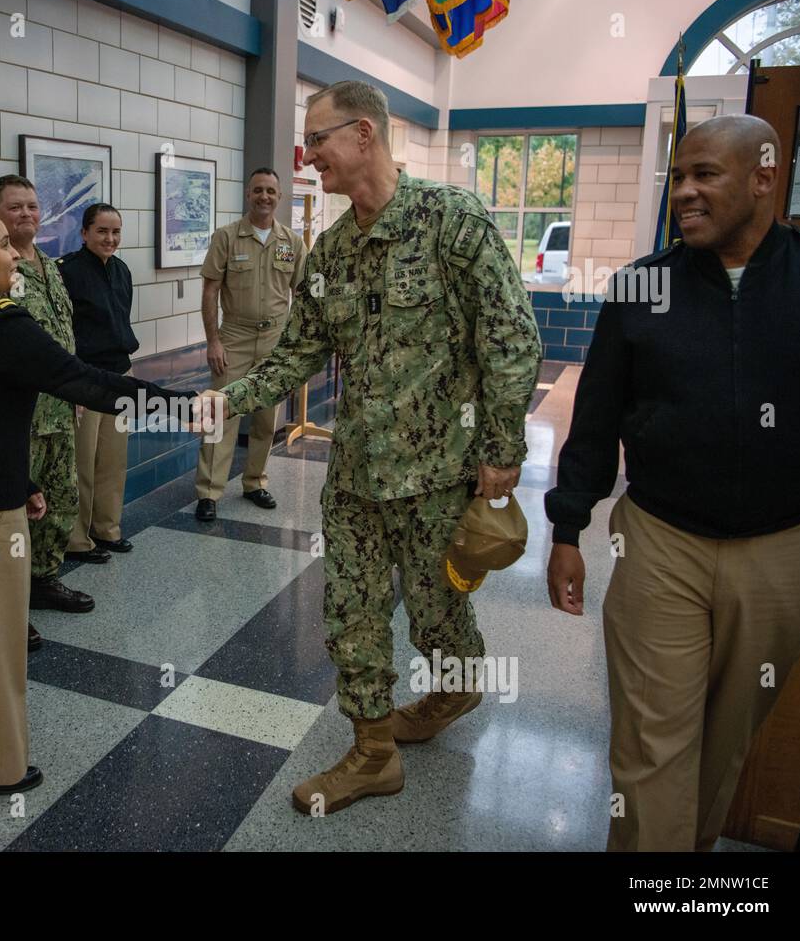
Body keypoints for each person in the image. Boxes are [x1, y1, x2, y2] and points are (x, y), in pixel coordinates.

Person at [199, 80, 541, 816]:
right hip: (355, 476)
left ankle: (454, 685)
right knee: (350, 613)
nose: (307, 153)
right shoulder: (331, 251)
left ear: (363, 135)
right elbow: (299, 353)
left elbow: (511, 336)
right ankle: (372, 753)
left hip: (440, 478)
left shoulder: (453, 222)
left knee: (436, 616)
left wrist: (502, 448)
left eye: (317, 138)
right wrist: (228, 398)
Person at [545, 114, 800, 851]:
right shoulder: (643, 289)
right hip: (659, 547)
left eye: (706, 175)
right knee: (651, 751)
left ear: (764, 178)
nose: (685, 193)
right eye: (679, 177)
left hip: (784, 554)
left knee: (726, 742)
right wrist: (566, 529)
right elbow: (596, 422)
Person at [0, 209, 194, 797]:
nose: (16, 254)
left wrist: (25, 483)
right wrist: (184, 407)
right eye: (3, 246)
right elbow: (82, 379)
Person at [0, 174, 94, 616]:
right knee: (15, 513)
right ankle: (8, 605)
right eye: (15, 207)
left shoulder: (52, 267)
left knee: (61, 500)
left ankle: (44, 581)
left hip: (61, 409)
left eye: (32, 205)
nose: (27, 214)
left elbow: (65, 333)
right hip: (22, 415)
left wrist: (77, 388)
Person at [194, 168, 307, 522]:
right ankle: (209, 492)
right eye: (258, 190)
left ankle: (255, 481)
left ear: (279, 196)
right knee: (220, 414)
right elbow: (210, 291)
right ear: (248, 194)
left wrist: (294, 347)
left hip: (275, 339)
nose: (264, 197)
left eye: (271, 191)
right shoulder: (227, 237)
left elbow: (301, 295)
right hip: (235, 338)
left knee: (264, 418)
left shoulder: (293, 242)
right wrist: (213, 341)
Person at [58, 204, 138, 559]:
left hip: (120, 374)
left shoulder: (121, 270)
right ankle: (78, 540)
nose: (110, 238)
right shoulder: (68, 272)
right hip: (85, 379)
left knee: (112, 459)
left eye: (116, 232)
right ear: (85, 233)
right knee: (83, 462)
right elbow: (64, 333)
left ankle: (107, 529)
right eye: (102, 231)